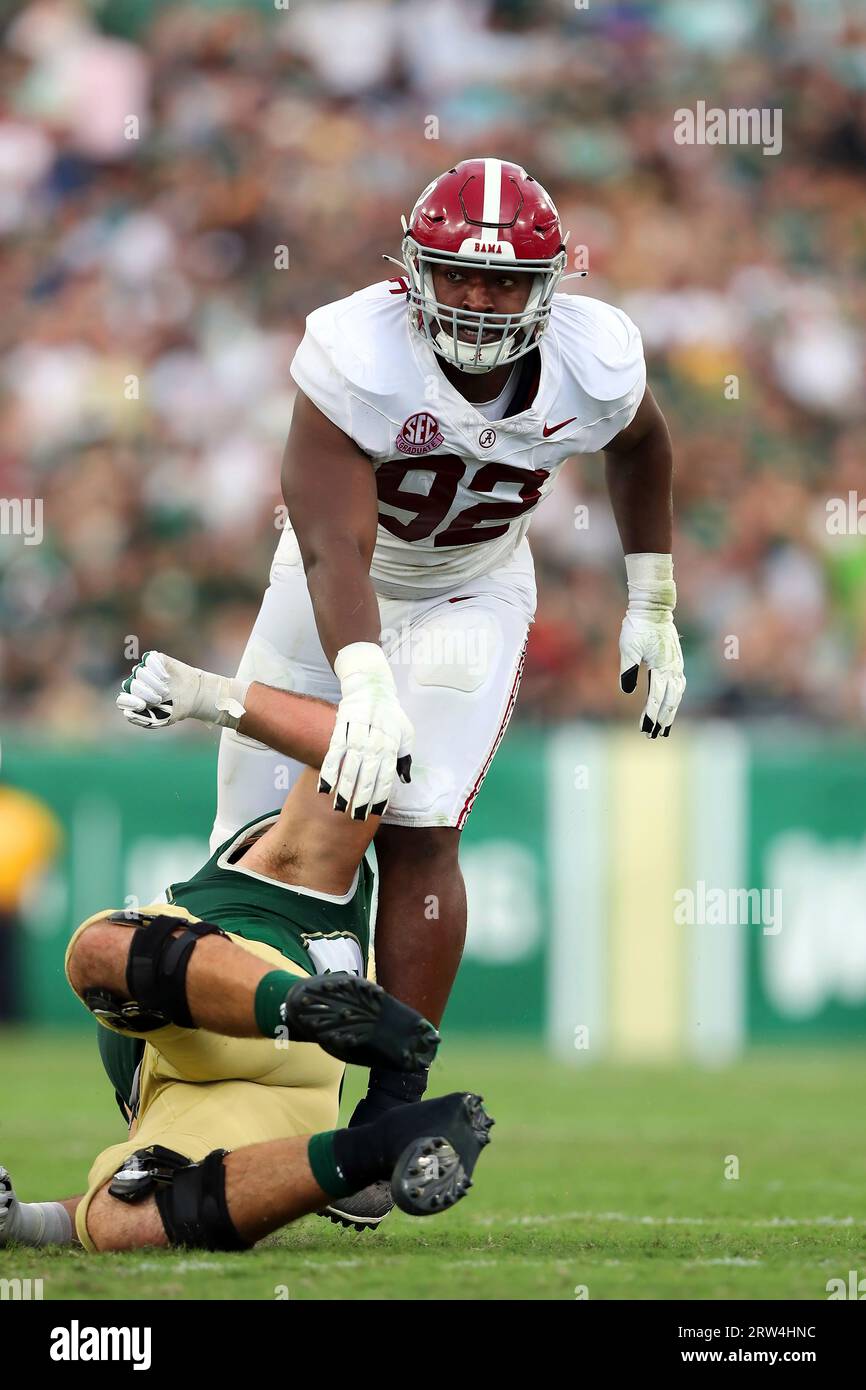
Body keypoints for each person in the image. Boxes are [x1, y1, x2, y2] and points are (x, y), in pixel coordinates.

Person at [214, 157, 685, 1228]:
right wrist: (364, 675)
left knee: (419, 827)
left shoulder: (593, 358)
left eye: (502, 282)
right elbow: (333, 541)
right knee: (250, 850)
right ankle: (235, 1099)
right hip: (331, 587)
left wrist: (649, 598)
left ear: (548, 283)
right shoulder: (355, 351)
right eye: (456, 279)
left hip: (474, 587)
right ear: (411, 273)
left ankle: (391, 1115)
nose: (477, 300)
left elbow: (644, 443)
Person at [0, 657, 493, 1252]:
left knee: (97, 948)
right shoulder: (297, 866)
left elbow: (374, 746)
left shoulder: (290, 863)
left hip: (263, 1047)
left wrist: (208, 695)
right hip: (247, 1085)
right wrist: (25, 1223)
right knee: (118, 1221)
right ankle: (385, 1143)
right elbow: (367, 747)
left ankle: (304, 1007)